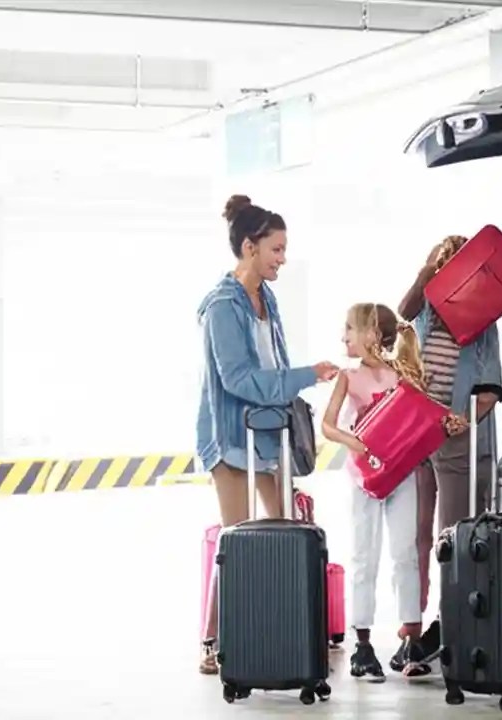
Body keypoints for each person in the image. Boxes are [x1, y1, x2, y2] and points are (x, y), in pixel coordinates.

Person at [195, 194, 339, 675]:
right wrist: (302, 376)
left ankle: (279, 627)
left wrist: (292, 381)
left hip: (270, 434)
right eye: (276, 249)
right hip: (232, 433)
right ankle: (213, 640)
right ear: (250, 246)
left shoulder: (267, 298)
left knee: (286, 531)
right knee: (235, 541)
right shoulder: (220, 305)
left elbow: (271, 362)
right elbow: (236, 378)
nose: (282, 258)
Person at [320, 303, 453, 681]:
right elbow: (328, 426)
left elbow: (422, 417)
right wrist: (356, 443)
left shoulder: (401, 376)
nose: (343, 335)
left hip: (402, 473)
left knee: (405, 553)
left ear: (372, 335)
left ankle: (409, 638)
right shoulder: (348, 377)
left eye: (349, 328)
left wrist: (447, 421)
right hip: (365, 476)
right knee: (365, 553)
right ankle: (363, 644)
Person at [397, 234, 502, 675]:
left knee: (453, 537)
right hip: (418, 434)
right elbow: (402, 314)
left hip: (459, 439)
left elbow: (490, 388)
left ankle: (450, 630)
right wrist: (425, 274)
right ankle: (415, 634)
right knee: (418, 536)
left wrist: (462, 419)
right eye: (445, 272)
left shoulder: (483, 320)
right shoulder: (422, 314)